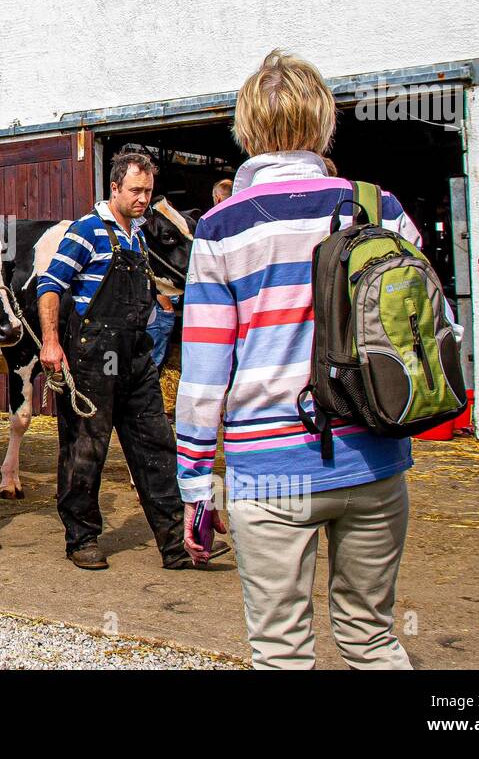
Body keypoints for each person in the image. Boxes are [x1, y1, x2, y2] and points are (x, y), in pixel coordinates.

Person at [176, 50, 421, 669]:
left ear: (247, 129)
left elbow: (205, 372)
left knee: (280, 650)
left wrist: (196, 485)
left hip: (269, 469)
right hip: (374, 457)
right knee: (373, 638)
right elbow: (419, 324)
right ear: (323, 123)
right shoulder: (380, 207)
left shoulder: (222, 226)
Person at [36, 151, 189, 571]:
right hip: (93, 356)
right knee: (86, 448)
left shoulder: (137, 235)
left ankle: (177, 544)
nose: (143, 198)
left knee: (156, 444)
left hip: (136, 355)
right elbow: (50, 285)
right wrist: (51, 342)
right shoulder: (86, 230)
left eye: (148, 191)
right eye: (136, 190)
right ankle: (81, 537)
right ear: (115, 188)